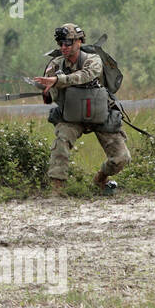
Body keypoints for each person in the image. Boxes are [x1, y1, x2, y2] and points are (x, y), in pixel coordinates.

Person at [33, 23, 130, 195]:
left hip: (100, 114)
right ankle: (57, 191)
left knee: (121, 158)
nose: (63, 47)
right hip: (71, 116)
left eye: (68, 43)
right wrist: (45, 89)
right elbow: (49, 93)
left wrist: (58, 80)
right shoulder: (55, 65)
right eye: (61, 43)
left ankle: (100, 178)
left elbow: (86, 75)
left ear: (79, 41)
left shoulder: (93, 59)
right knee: (60, 145)